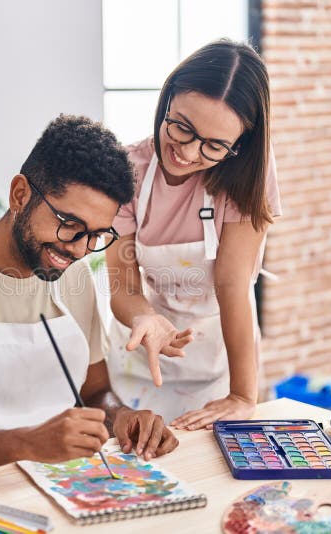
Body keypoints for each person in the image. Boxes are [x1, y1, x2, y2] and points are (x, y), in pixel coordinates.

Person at [0, 115, 179, 480]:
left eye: (96, 235)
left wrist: (122, 417)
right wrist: (24, 444)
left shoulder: (75, 278)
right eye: (69, 225)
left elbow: (96, 391)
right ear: (20, 194)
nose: (80, 249)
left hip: (58, 486)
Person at [106, 39, 282, 429]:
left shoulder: (247, 174)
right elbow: (122, 283)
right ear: (167, 99)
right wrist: (145, 319)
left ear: (239, 145)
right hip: (140, 357)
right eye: (182, 127)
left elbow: (233, 285)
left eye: (215, 145)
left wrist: (241, 395)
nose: (187, 151)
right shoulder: (129, 169)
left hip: (219, 364)